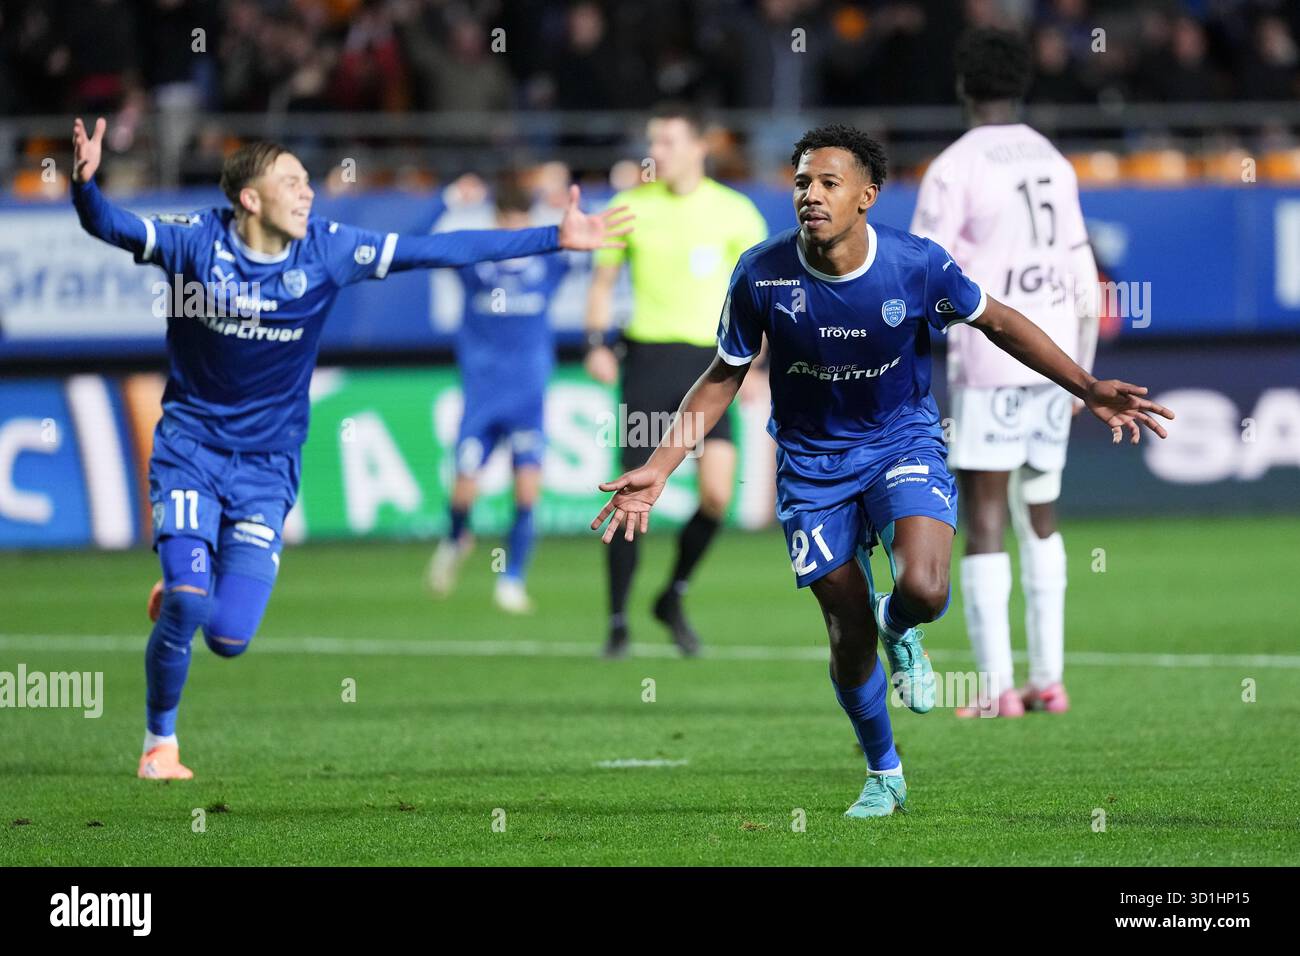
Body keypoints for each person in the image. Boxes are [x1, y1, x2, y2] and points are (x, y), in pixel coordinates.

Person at [590, 124, 1172, 817]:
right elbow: (722, 374)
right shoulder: (762, 272)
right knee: (846, 627)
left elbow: (1001, 321)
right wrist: (659, 466)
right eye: (803, 181)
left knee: (923, 589)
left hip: (902, 443)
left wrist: (1085, 384)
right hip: (809, 464)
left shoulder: (915, 265)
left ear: (866, 196)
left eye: (829, 183)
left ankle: (904, 628)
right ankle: (883, 770)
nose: (811, 194)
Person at [70, 115, 631, 779]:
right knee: (192, 601)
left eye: (308, 182)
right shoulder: (195, 243)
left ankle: (184, 586)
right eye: (290, 183)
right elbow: (109, 225)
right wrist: (84, 184)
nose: (307, 194)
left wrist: (552, 238)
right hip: (190, 447)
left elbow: (442, 251)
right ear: (249, 199)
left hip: (267, 466)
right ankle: (159, 743)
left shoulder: (329, 250)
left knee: (227, 637)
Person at [911, 28, 1101, 717]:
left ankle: (996, 689)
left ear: (963, 86)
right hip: (1055, 360)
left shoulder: (955, 166)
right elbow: (1083, 272)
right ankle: (1048, 679)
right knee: (1041, 512)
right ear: (1020, 84)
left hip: (993, 356)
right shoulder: (1052, 158)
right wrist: (1084, 372)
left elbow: (926, 268)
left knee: (985, 514)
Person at [585, 103, 768, 658]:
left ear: (698, 147)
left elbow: (760, 297)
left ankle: (673, 594)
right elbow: (602, 283)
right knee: (633, 495)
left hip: (711, 368)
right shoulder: (628, 207)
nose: (655, 153)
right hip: (648, 360)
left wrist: (757, 364)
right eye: (653, 142)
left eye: (666, 142)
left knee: (717, 494)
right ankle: (617, 621)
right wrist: (595, 343)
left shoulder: (735, 212)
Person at [427, 178, 571, 613]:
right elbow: (424, 245)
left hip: (528, 399)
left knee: (527, 493)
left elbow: (592, 248)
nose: (514, 232)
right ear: (495, 221)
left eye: (521, 223)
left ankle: (512, 579)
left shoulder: (547, 267)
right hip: (481, 398)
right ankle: (457, 537)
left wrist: (561, 200)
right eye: (507, 222)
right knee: (462, 493)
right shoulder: (476, 266)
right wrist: (445, 199)